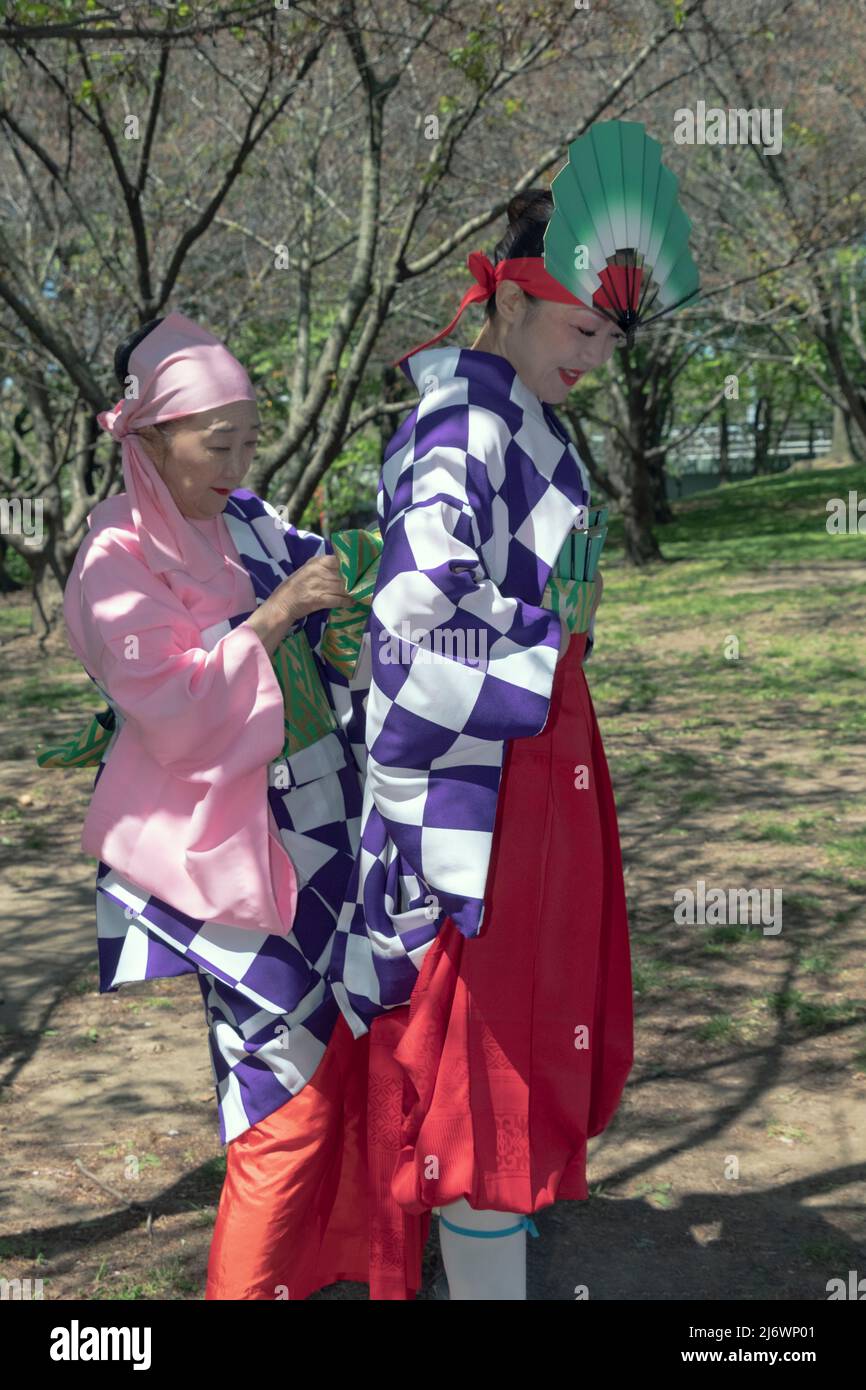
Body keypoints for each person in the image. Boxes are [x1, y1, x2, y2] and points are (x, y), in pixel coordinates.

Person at [325, 187, 635, 1299]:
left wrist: (552, 641)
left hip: (526, 761)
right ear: (506, 297)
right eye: (579, 328)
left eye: (606, 337)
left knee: (504, 1065)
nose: (592, 357)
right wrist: (547, 641)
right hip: (473, 789)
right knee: (471, 1080)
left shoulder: (525, 423)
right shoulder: (463, 424)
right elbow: (413, 605)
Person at [60, 312, 374, 1298]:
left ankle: (323, 1264)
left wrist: (343, 605)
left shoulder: (246, 519)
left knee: (342, 1065)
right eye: (219, 441)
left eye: (250, 437)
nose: (242, 461)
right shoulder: (116, 555)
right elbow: (167, 704)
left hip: (322, 824)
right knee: (282, 1100)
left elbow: (329, 622)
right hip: (226, 862)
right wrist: (276, 613)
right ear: (151, 437)